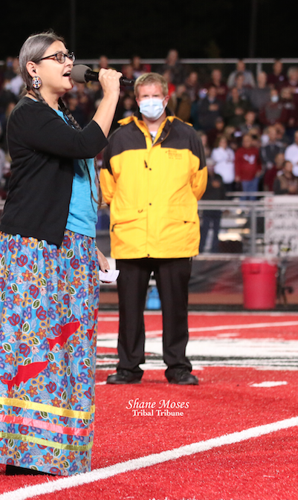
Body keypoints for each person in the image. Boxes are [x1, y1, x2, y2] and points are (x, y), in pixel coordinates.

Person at [0, 31, 121, 477]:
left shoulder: (64, 118)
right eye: (56, 57)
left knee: (69, 351)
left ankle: (55, 450)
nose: (67, 62)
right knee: (32, 354)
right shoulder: (28, 115)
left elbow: (76, 190)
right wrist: (112, 93)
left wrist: (90, 244)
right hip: (32, 252)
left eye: (68, 55)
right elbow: (86, 149)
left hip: (68, 249)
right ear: (33, 70)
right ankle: (24, 455)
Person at [100, 71, 207, 386]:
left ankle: (178, 367)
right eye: (143, 96)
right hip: (132, 235)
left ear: (166, 98)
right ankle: (128, 367)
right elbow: (107, 187)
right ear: (136, 99)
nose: (149, 102)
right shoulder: (118, 137)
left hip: (174, 234)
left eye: (154, 96)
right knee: (129, 309)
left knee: (176, 308)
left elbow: (198, 184)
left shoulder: (188, 136)